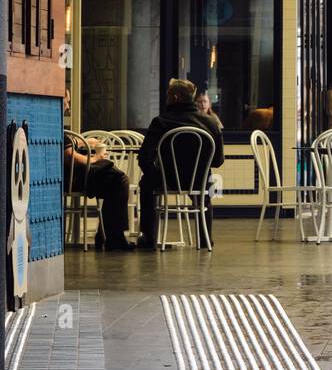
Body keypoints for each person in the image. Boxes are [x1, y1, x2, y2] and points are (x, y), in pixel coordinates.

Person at [137, 78, 225, 249]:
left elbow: (144, 157)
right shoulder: (210, 122)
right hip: (198, 180)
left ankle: (148, 238)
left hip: (166, 179)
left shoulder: (160, 122)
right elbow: (218, 161)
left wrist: (156, 174)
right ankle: (205, 238)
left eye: (168, 94)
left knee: (146, 185)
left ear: (175, 97)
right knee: (206, 189)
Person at [63, 130, 135, 252]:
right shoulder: (56, 123)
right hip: (70, 180)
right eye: (66, 108)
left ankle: (108, 235)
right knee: (118, 180)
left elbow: (65, 145)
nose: (68, 109)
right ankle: (112, 236)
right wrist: (94, 159)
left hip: (72, 176)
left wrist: (81, 142)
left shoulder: (56, 127)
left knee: (115, 180)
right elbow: (69, 155)